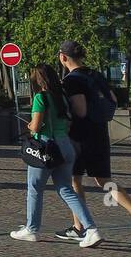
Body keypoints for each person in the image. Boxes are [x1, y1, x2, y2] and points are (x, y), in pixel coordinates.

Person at [59, 41, 131, 245]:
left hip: (80, 136)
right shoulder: (95, 74)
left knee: (74, 180)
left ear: (63, 57)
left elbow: (81, 111)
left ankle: (81, 227)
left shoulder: (71, 80)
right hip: (100, 132)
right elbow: (112, 98)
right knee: (104, 180)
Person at [11, 64, 102, 246]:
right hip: (65, 146)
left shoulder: (40, 97)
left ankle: (32, 229)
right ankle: (91, 229)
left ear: (37, 80)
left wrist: (29, 126)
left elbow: (36, 126)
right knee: (66, 189)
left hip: (45, 147)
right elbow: (67, 123)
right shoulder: (61, 97)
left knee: (35, 188)